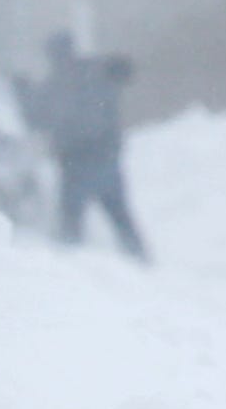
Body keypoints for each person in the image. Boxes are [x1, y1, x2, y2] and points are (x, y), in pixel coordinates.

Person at [26, 33, 148, 259]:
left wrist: (23, 92)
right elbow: (123, 71)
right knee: (119, 214)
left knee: (72, 220)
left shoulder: (54, 84)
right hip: (106, 158)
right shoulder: (95, 69)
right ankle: (140, 259)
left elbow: (36, 119)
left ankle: (71, 263)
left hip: (75, 163)